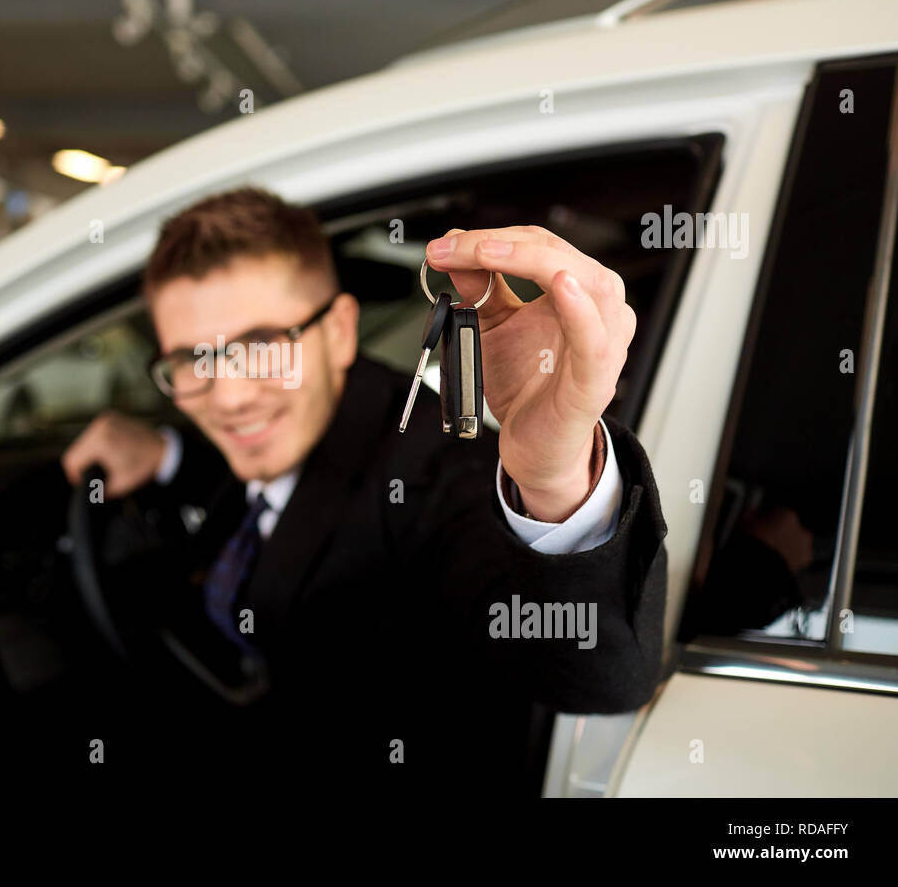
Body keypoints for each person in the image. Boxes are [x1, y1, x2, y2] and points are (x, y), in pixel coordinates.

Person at [61, 186, 666, 778]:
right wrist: (166, 454)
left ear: (341, 330)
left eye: (265, 345)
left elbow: (601, 677)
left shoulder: (439, 480)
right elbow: (251, 478)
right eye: (197, 359)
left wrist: (555, 477)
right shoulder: (277, 431)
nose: (230, 397)